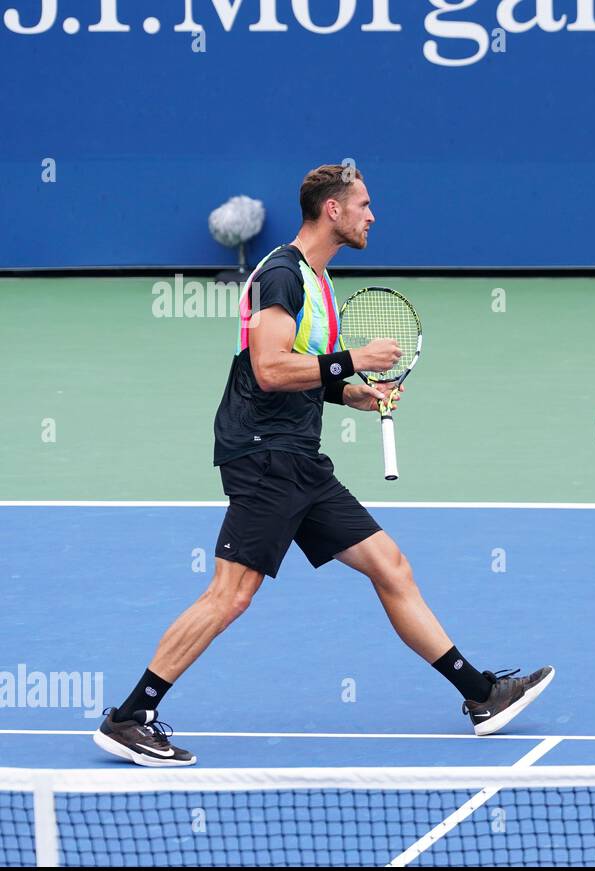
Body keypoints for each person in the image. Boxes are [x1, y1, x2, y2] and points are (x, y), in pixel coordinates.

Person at [95, 164, 554, 766]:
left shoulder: (316, 281)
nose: (372, 215)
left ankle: (481, 696)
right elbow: (267, 368)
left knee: (390, 566)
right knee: (231, 594)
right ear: (332, 210)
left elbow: (303, 371)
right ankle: (131, 717)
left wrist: (351, 392)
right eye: (363, 204)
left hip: (299, 459)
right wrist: (352, 359)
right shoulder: (282, 275)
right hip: (265, 455)